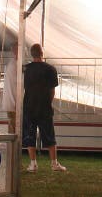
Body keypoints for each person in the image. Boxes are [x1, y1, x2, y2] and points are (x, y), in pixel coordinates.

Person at [23, 43, 66, 173]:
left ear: (32, 54)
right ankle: (54, 163)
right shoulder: (50, 69)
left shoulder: (26, 69)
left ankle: (33, 164)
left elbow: (24, 87)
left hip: (29, 106)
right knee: (49, 136)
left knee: (30, 135)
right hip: (44, 107)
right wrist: (48, 102)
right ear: (42, 53)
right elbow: (52, 91)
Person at [1, 42, 19, 133]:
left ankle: (12, 146)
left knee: (13, 126)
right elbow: (17, 83)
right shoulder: (15, 64)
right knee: (14, 127)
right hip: (14, 103)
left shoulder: (12, 63)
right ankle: (13, 146)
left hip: (12, 102)